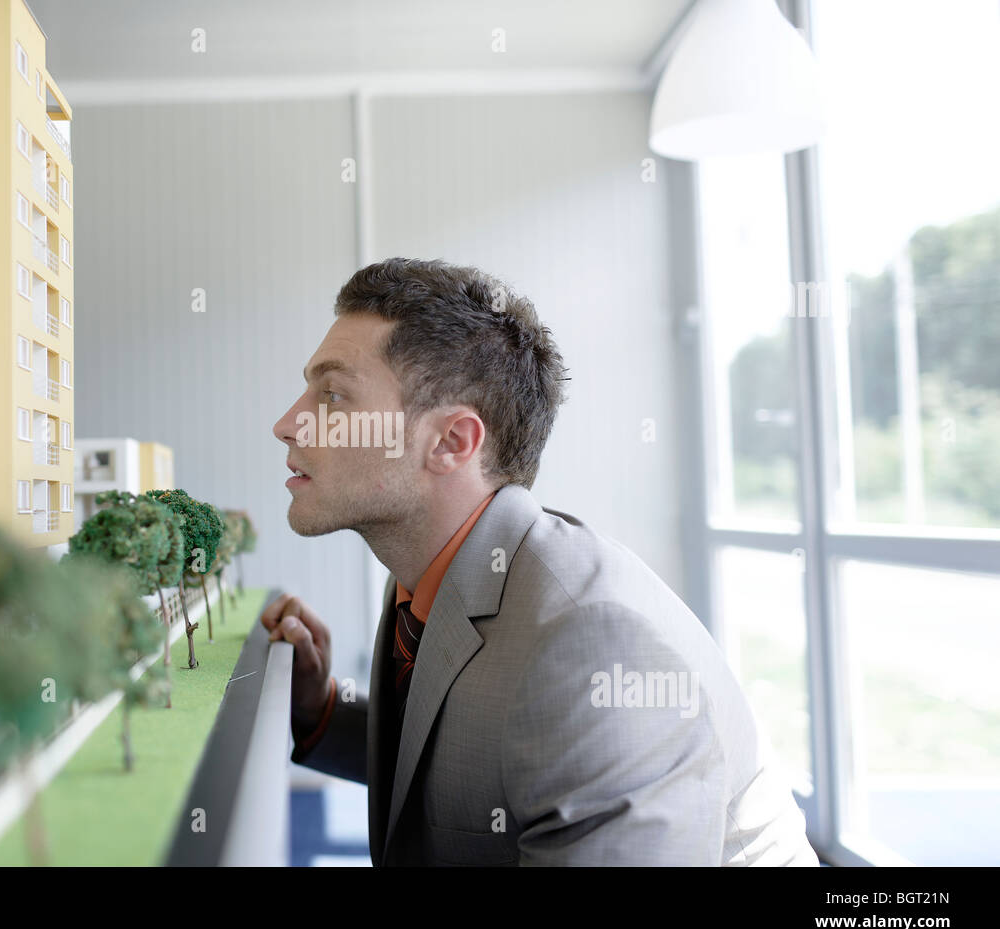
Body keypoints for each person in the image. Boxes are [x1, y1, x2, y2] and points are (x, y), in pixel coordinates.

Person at [265, 257, 818, 867]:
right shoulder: (427, 570)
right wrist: (323, 710)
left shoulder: (594, 644)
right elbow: (465, 757)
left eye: (333, 395)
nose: (288, 424)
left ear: (451, 443)